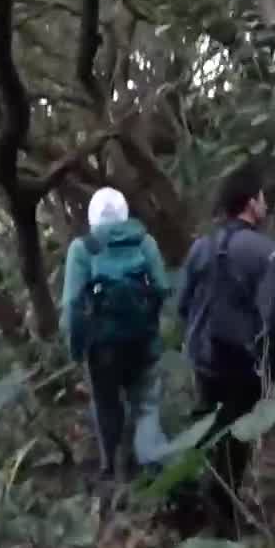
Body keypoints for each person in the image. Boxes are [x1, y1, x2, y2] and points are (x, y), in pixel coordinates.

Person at [177, 161, 275, 533]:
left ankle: (201, 504)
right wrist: (273, 370)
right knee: (237, 441)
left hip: (205, 359)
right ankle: (223, 519)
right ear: (250, 203)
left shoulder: (200, 248)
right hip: (244, 365)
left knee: (213, 432)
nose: (266, 204)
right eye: (261, 197)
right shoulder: (270, 253)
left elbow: (182, 305)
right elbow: (271, 320)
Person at [60, 187, 175, 482]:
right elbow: (162, 287)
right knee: (147, 406)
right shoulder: (144, 242)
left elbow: (72, 305)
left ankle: (111, 466)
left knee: (106, 404)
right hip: (144, 341)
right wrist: (148, 318)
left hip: (102, 349)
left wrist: (76, 349)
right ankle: (157, 470)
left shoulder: (82, 249)